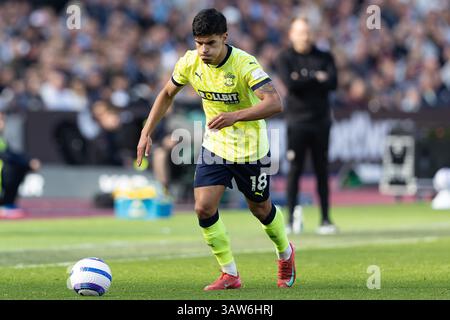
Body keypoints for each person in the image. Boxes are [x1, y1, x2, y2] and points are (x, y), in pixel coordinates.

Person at [136, 8, 296, 290]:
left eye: (210, 43)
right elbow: (166, 94)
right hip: (216, 146)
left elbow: (274, 103)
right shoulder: (189, 62)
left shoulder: (244, 64)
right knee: (203, 208)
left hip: (251, 150)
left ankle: (285, 253)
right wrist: (146, 131)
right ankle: (230, 273)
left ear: (225, 37)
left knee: (260, 208)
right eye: (199, 43)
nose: (203, 50)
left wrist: (235, 116)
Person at [275, 17, 338, 235]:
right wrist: (316, 78)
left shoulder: (324, 56)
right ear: (292, 35)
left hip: (321, 121)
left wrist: (304, 78)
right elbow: (291, 85)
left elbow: (333, 82)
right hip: (297, 122)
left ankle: (325, 219)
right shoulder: (285, 57)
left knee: (322, 170)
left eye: (308, 32)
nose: (305, 36)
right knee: (294, 169)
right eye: (301, 32)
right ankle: (291, 219)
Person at [0, 112, 41, 219]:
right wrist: (27, 162)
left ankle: (6, 203)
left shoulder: (2, 140)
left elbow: (11, 153)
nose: (2, 123)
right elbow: (6, 156)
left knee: (20, 166)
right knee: (10, 168)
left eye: (3, 120)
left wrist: (28, 161)